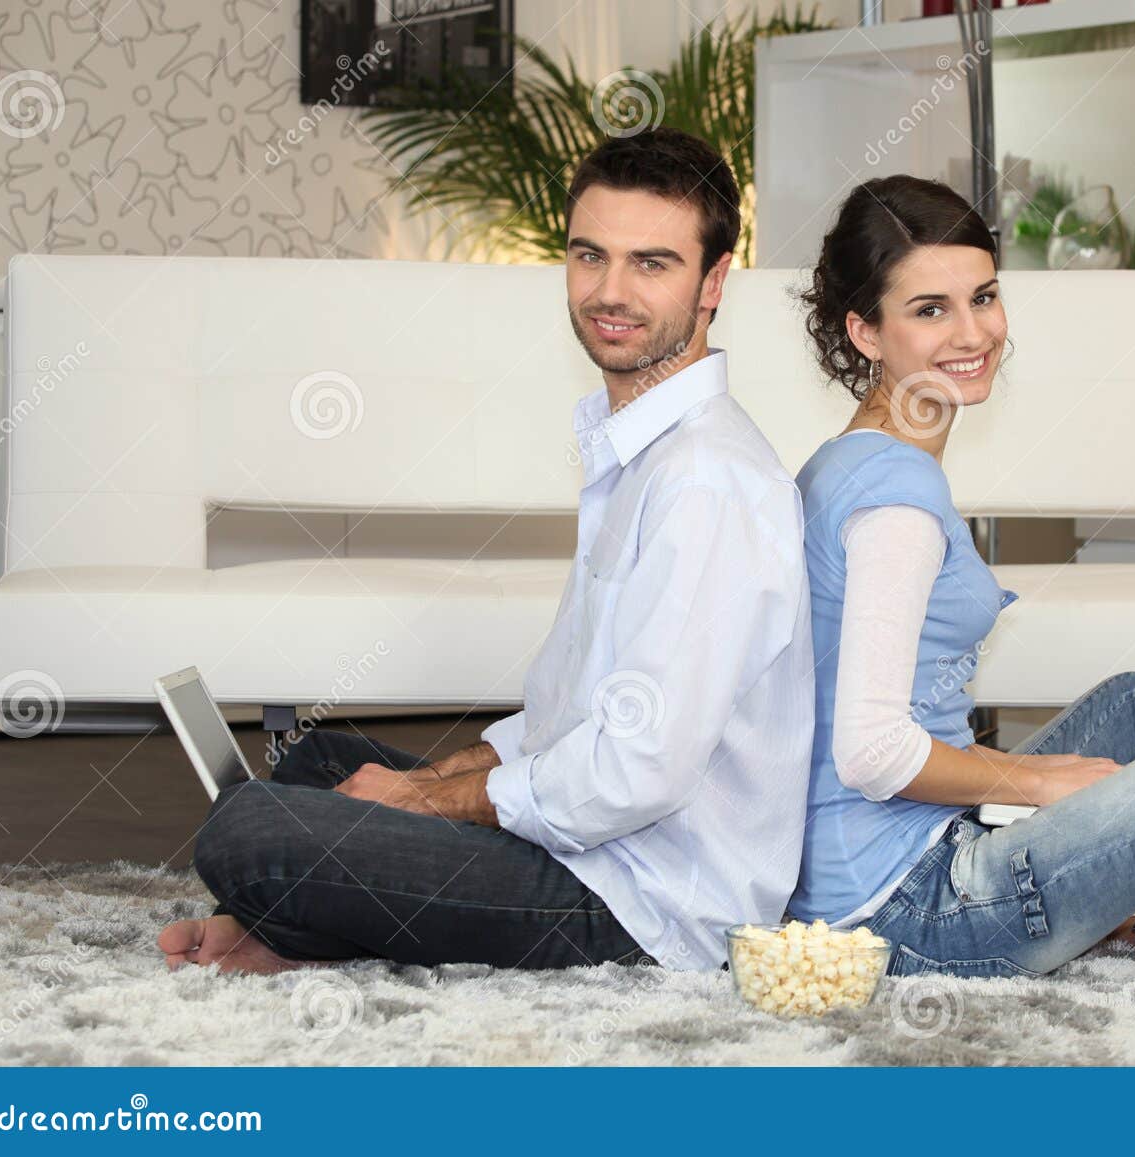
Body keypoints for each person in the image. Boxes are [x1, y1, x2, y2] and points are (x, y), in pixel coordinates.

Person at [158, 128, 814, 975]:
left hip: (640, 905)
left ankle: (283, 927)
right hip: (594, 847)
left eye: (651, 263)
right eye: (589, 256)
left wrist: (428, 805)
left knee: (249, 831)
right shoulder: (641, 449)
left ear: (714, 280)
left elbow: (633, 772)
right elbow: (562, 719)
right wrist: (418, 793)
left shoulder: (705, 483)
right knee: (326, 761)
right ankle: (287, 931)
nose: (609, 292)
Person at [787, 174, 1135, 981]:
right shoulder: (897, 503)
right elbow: (871, 751)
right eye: (930, 309)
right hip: (911, 908)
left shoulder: (851, 459)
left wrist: (1030, 790)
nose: (972, 330)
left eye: (983, 296)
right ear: (866, 331)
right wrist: (1033, 780)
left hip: (908, 851)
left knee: (1134, 704)